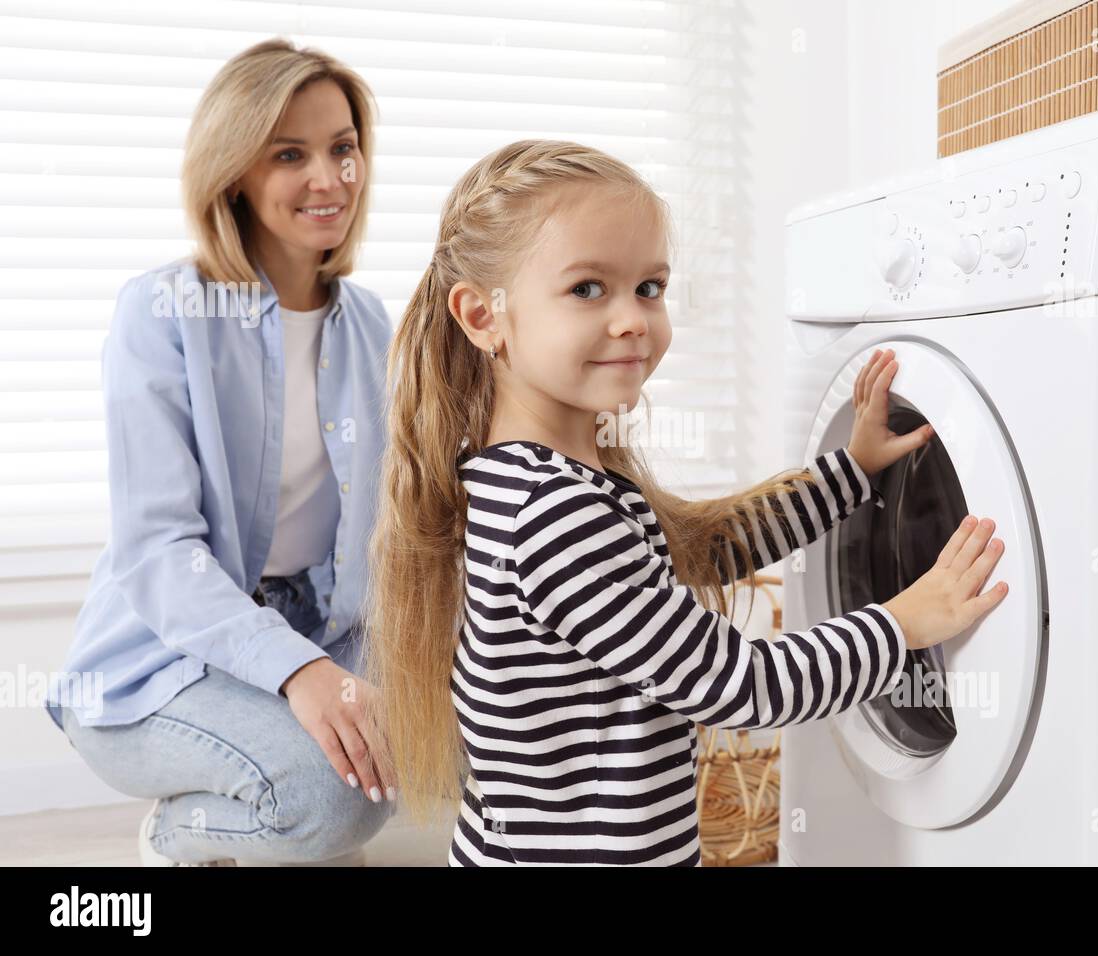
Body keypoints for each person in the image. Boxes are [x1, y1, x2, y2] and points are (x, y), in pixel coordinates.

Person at [361, 139, 1008, 866]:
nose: (635, 318)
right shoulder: (552, 514)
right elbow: (742, 685)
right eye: (587, 289)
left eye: (650, 287)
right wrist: (904, 623)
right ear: (484, 318)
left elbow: (704, 548)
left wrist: (848, 473)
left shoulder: (525, 477)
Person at [44, 38, 397, 866]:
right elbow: (159, 550)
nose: (330, 177)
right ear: (234, 172)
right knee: (330, 801)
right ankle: (180, 835)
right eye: (290, 154)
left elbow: (406, 516)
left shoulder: (373, 324)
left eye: (343, 149)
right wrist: (301, 676)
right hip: (161, 659)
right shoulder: (162, 313)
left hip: (321, 629)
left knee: (449, 733)